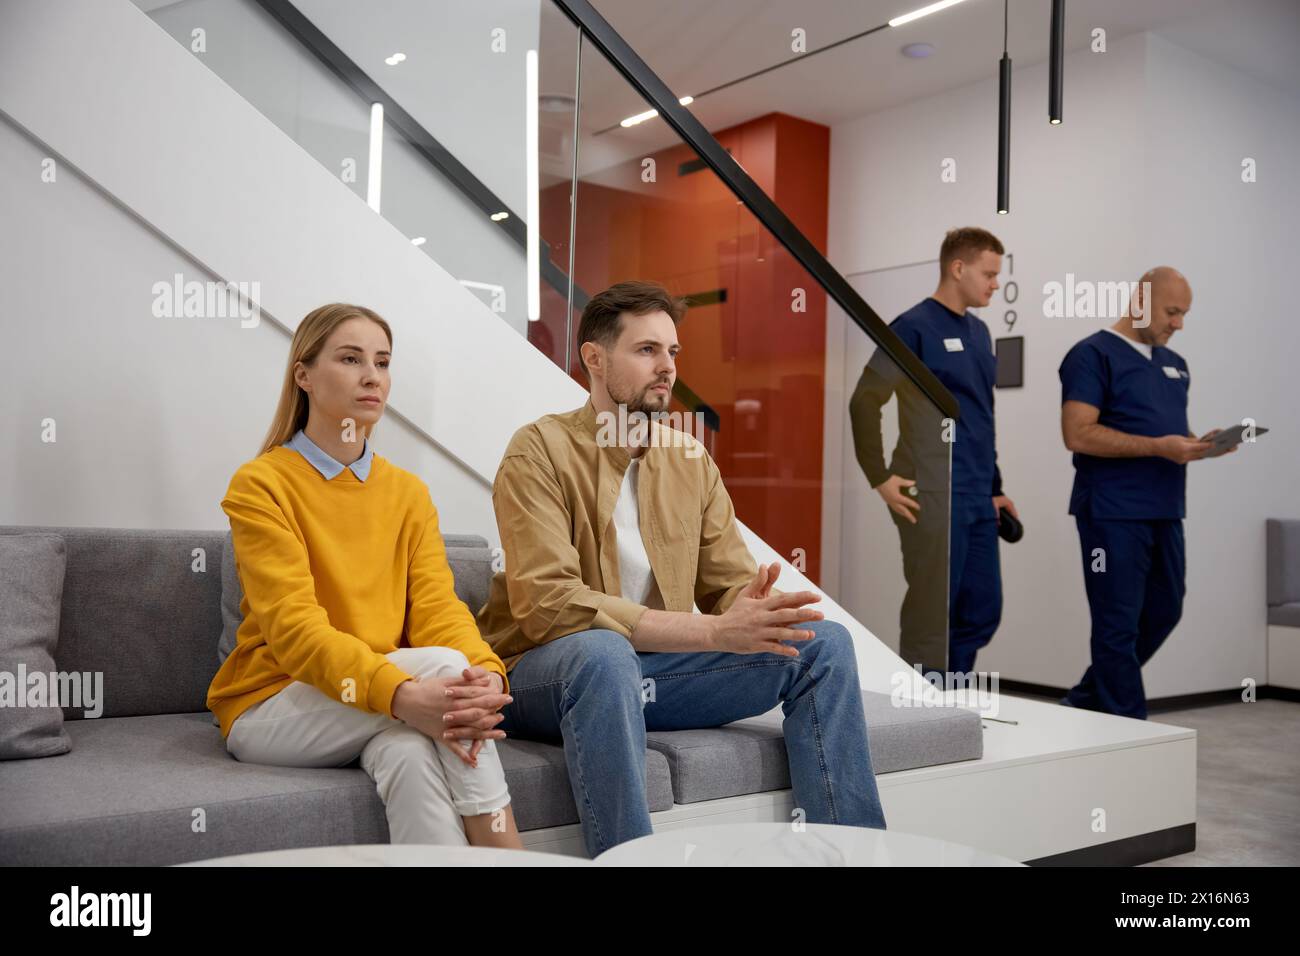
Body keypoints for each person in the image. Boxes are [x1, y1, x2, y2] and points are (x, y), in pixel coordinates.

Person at [476, 280, 886, 856]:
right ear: (594, 358)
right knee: (603, 652)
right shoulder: (538, 450)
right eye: (647, 350)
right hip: (541, 678)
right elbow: (549, 607)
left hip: (649, 677)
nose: (666, 367)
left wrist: (756, 611)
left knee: (824, 644)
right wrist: (714, 631)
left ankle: (852, 854)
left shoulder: (689, 459)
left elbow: (726, 588)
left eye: (673, 352)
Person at [207, 303, 522, 847]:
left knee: (410, 754)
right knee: (447, 669)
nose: (372, 375)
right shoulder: (261, 485)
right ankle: (507, 851)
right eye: (351, 359)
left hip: (371, 700)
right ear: (303, 375)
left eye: (382, 361)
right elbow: (296, 633)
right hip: (273, 705)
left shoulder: (407, 493)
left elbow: (438, 609)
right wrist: (401, 694)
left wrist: (488, 675)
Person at [1059, 267, 1232, 719]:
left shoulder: (1176, 365)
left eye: (1184, 314)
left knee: (1165, 610)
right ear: (1140, 300)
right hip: (1111, 512)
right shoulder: (1091, 355)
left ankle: (1081, 701)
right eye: (1172, 312)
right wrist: (1160, 447)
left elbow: (1164, 429)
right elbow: (1077, 434)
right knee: (1116, 624)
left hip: (1166, 509)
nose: (1178, 324)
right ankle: (1130, 729)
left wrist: (1198, 445)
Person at [850, 227, 1017, 677]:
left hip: (978, 494)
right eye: (989, 273)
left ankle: (950, 700)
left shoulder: (981, 334)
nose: (996, 284)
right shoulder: (912, 328)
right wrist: (879, 476)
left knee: (982, 610)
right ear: (957, 268)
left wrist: (996, 489)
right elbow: (865, 400)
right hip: (931, 491)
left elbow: (981, 419)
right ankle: (921, 716)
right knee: (932, 613)